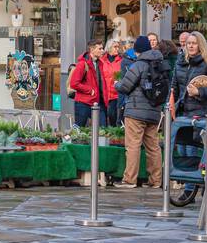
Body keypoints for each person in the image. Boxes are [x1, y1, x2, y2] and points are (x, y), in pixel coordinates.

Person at [114, 35, 169, 189]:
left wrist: (116, 84)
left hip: (136, 111)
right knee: (153, 147)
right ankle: (156, 180)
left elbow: (125, 86)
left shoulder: (138, 65)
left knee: (133, 145)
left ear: (137, 50)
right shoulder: (160, 62)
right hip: (154, 110)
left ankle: (130, 180)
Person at [173, 31, 207, 118]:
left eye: (194, 43)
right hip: (181, 113)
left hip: (201, 113)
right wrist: (169, 107)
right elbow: (173, 88)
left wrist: (198, 92)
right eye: (188, 43)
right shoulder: (179, 63)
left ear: (201, 45)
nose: (191, 46)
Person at [67, 39, 107, 129]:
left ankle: (97, 143)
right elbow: (74, 83)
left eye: (102, 48)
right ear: (92, 50)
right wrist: (90, 90)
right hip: (83, 103)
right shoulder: (82, 64)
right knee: (79, 129)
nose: (102, 51)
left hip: (97, 101)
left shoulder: (100, 63)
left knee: (103, 128)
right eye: (100, 49)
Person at [99, 39, 122, 123]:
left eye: (118, 47)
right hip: (103, 94)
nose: (117, 49)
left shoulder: (120, 61)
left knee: (113, 117)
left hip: (115, 94)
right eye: (115, 47)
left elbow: (119, 76)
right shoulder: (101, 60)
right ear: (109, 48)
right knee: (102, 119)